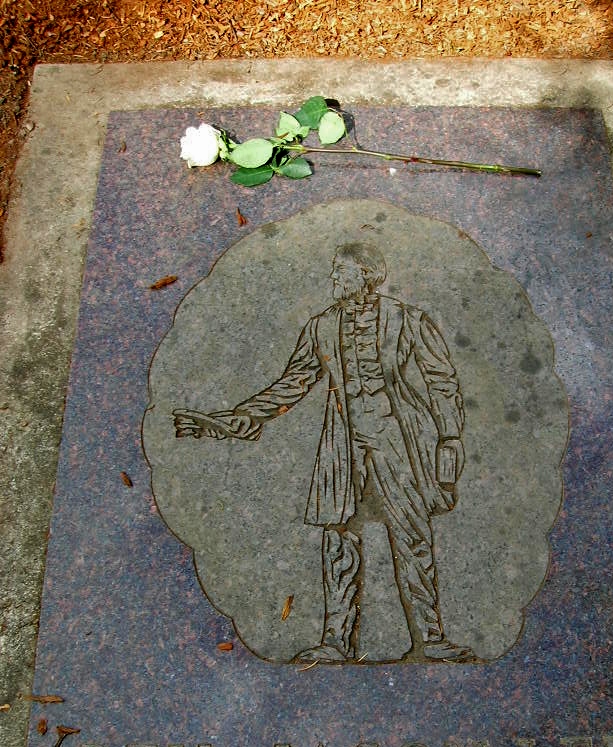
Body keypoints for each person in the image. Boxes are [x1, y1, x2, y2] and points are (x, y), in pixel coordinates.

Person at [174, 242, 474, 664]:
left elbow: (442, 380)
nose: (333, 278)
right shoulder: (321, 327)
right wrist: (244, 415)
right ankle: (336, 642)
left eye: (340, 271)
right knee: (338, 541)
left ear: (364, 275)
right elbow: (293, 382)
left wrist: (449, 438)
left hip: (398, 445)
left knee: (413, 538)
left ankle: (432, 638)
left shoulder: (407, 320)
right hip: (343, 448)